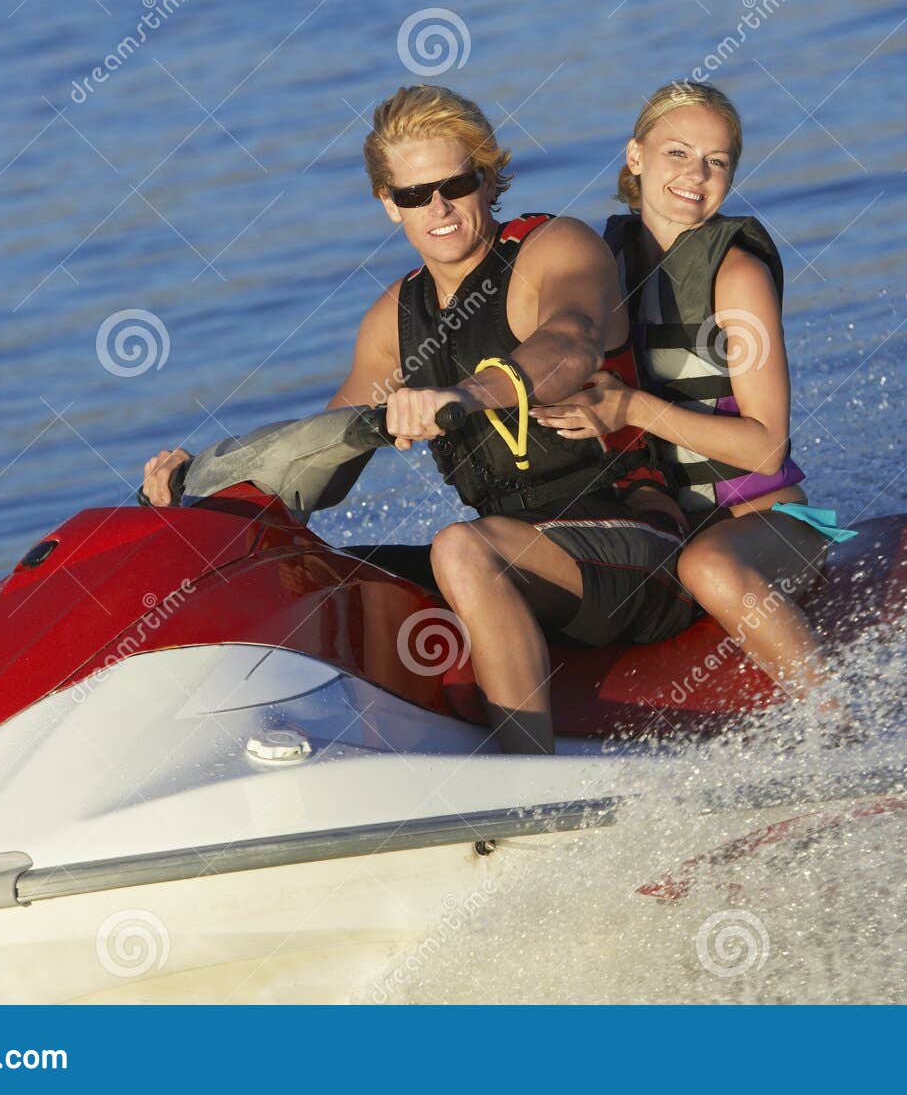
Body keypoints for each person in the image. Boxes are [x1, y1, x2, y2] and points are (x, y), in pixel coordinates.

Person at [140, 85, 695, 755]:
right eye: (412, 194)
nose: (437, 207)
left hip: (640, 544)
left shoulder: (556, 250)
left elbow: (571, 344)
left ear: (487, 178)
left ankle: (526, 777)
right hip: (517, 552)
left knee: (459, 546)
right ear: (387, 203)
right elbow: (320, 468)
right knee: (310, 575)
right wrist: (196, 505)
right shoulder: (392, 324)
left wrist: (466, 393)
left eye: (455, 184)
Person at [534, 82, 849, 713]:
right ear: (635, 157)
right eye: (677, 152)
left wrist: (629, 408)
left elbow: (765, 448)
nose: (695, 175)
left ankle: (840, 721)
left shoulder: (738, 277)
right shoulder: (598, 267)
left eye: (716, 161)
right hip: (659, 523)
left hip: (765, 524)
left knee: (707, 567)